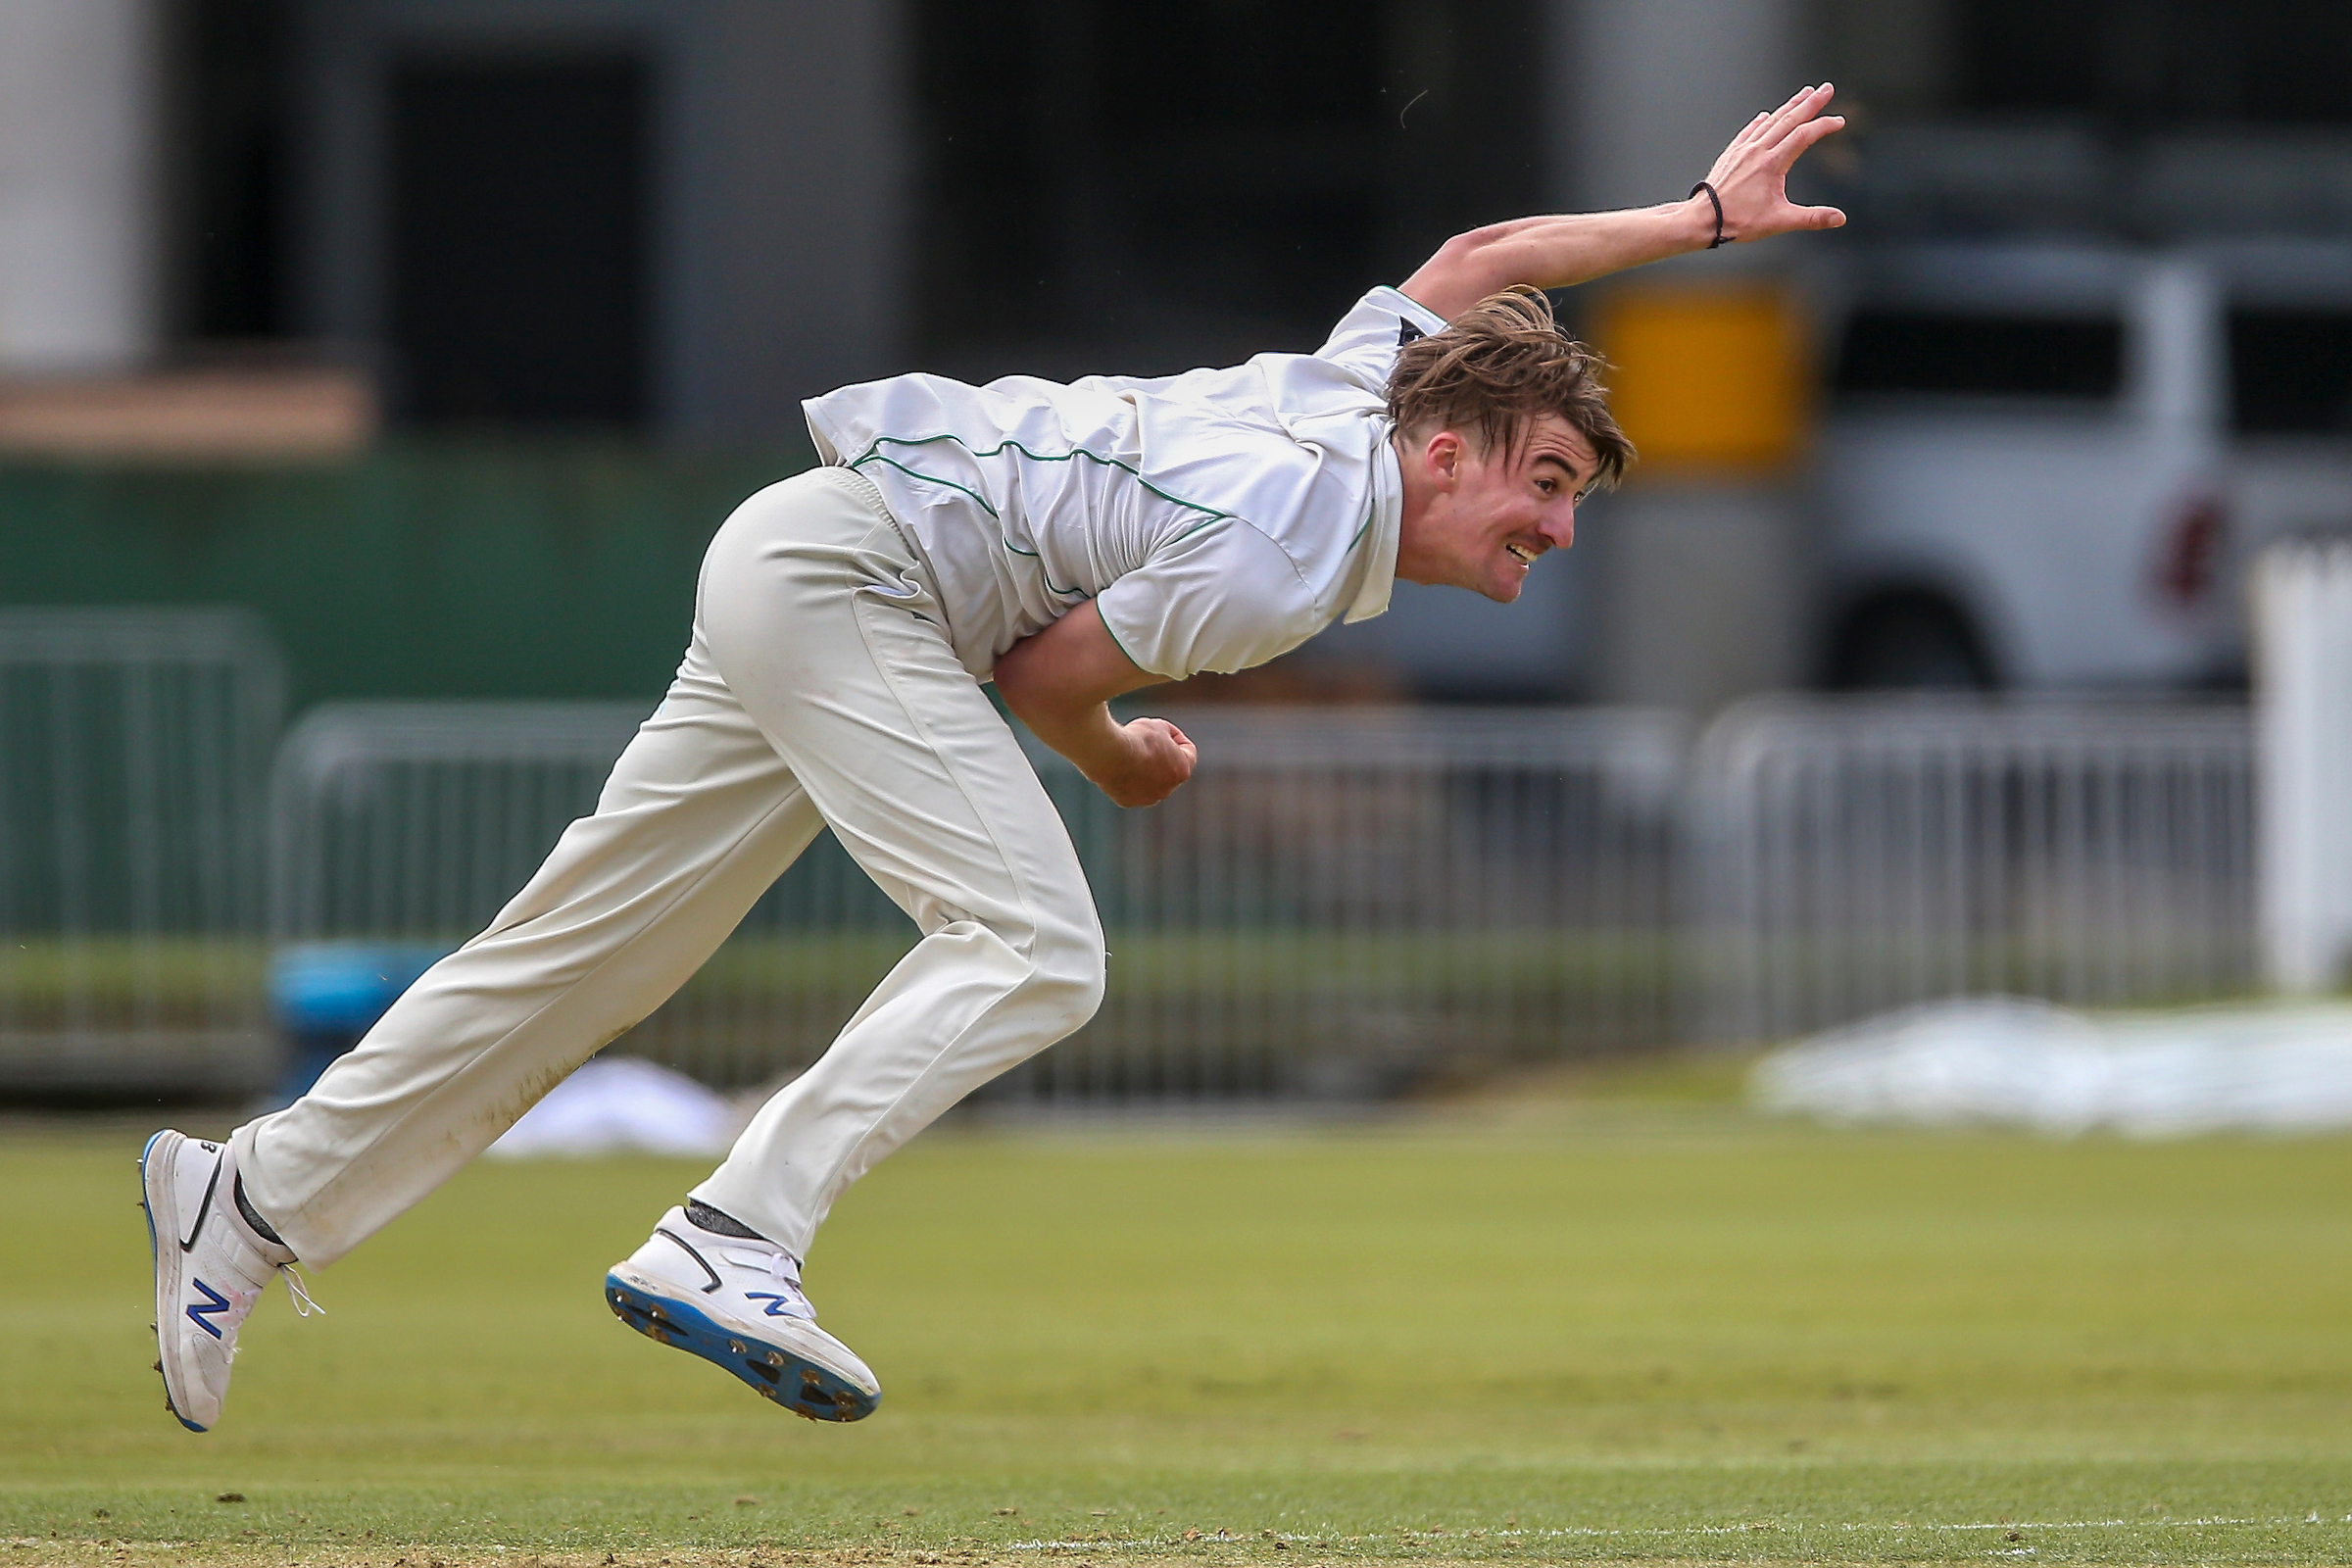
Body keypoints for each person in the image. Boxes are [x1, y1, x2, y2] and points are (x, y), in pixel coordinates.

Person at [141, 84, 1847, 1433]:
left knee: (582, 956)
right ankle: (733, 1235)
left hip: (807, 551)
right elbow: (1049, 672)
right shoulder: (1298, 545)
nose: (1556, 525)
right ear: (1451, 447)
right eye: (1544, 482)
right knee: (1038, 945)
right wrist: (1125, 771)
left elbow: (1477, 260)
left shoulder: (1357, 389)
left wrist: (1697, 219)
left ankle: (249, 1196)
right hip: (852, 580)